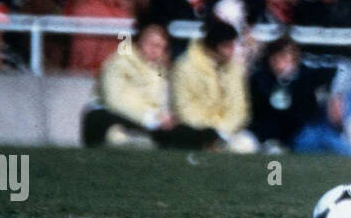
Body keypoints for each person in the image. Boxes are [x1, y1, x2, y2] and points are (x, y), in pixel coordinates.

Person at [82, 20, 220, 149]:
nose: (155, 50)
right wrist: (149, 118)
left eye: (160, 46)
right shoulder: (119, 63)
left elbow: (160, 102)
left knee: (185, 131)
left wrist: (162, 117)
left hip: (148, 121)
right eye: (151, 44)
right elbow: (114, 100)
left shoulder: (159, 70)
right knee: (106, 125)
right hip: (114, 115)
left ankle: (210, 140)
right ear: (140, 42)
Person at [171, 17, 255, 153]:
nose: (233, 50)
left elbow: (240, 107)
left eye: (233, 45)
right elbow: (184, 108)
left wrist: (223, 131)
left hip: (228, 133)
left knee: (247, 145)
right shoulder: (185, 66)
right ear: (213, 46)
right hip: (196, 133)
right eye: (228, 46)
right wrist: (210, 131)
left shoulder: (235, 68)